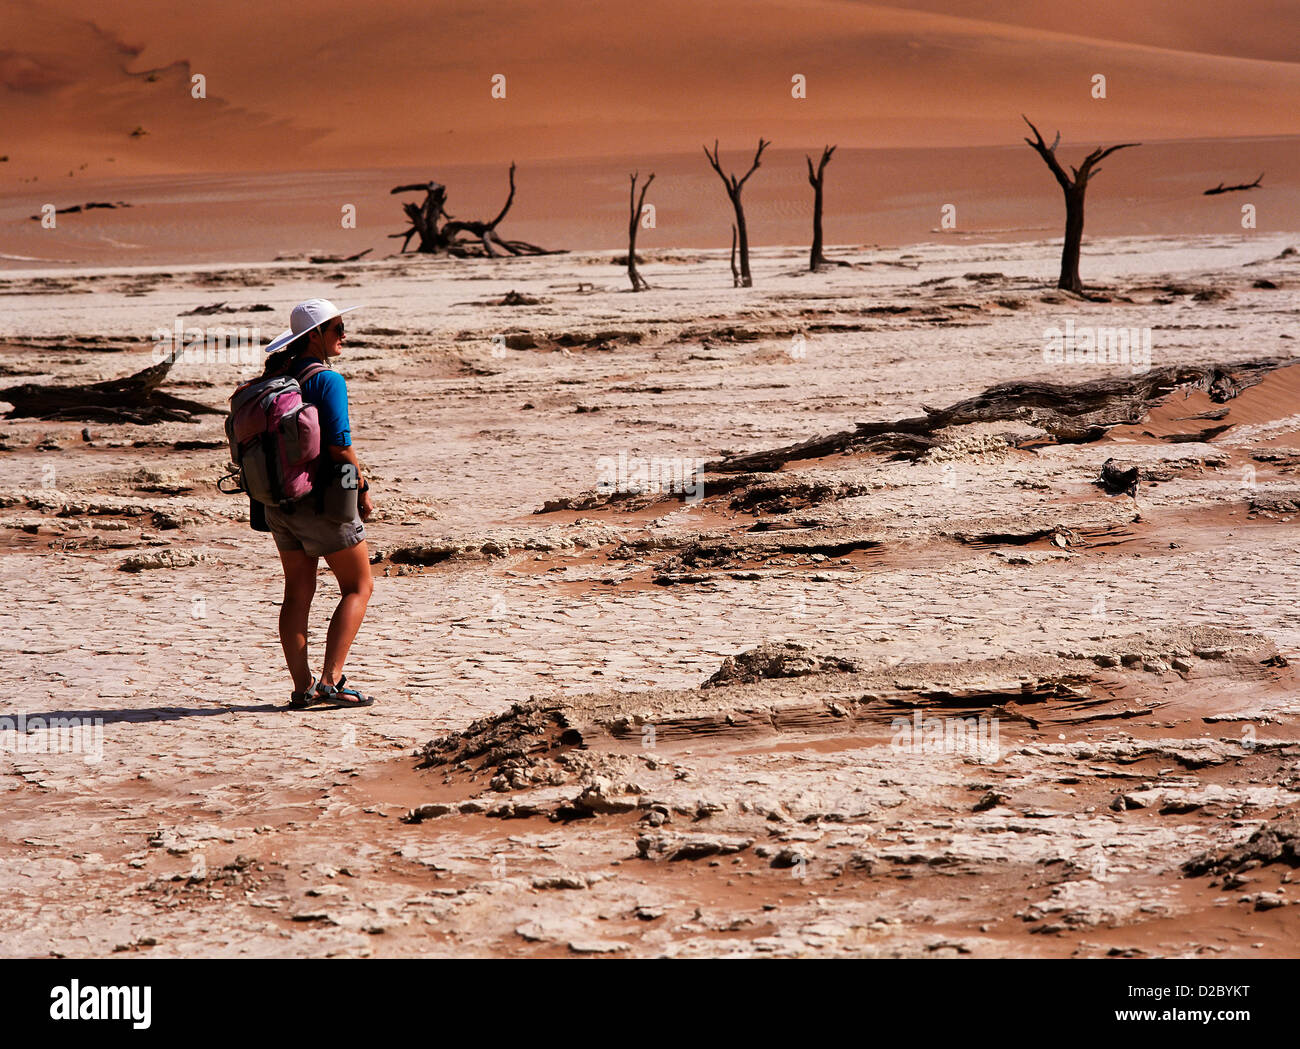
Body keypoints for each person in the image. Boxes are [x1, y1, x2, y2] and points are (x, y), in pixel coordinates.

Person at [252, 299, 376, 709]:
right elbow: (340, 446)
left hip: (276, 502)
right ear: (315, 336)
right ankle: (331, 681)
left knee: (297, 593)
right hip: (322, 499)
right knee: (358, 586)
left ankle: (302, 688)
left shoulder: (275, 376)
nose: (344, 335)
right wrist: (362, 487)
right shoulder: (328, 381)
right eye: (337, 327)